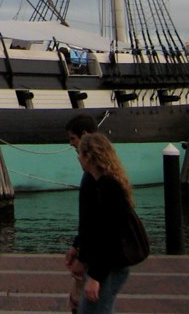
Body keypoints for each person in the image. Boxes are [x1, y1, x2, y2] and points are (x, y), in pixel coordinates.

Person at [71, 132, 139, 313]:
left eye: (79, 153)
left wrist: (95, 277)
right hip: (105, 267)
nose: (77, 157)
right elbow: (94, 229)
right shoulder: (101, 183)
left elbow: (110, 236)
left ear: (89, 156)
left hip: (108, 269)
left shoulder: (108, 187)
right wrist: (81, 253)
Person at [63, 114, 98, 313]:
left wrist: (84, 260)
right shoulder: (96, 175)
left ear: (84, 136)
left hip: (95, 262)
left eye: (72, 139)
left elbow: (99, 223)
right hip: (92, 257)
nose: (72, 146)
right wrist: (77, 245)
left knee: (86, 305)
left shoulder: (98, 179)